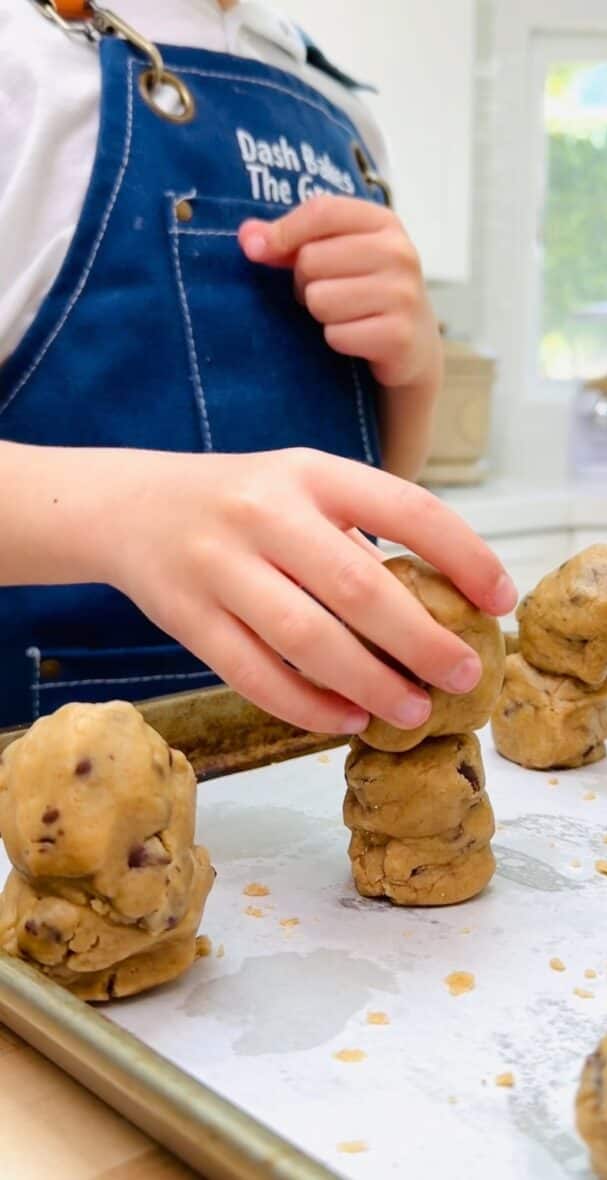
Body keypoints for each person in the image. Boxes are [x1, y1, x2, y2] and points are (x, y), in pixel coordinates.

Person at [0, 0, 516, 733]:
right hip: (46, 788)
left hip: (322, 790)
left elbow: (360, 499)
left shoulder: (338, 111)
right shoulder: (19, 59)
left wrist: (414, 377)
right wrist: (126, 513)